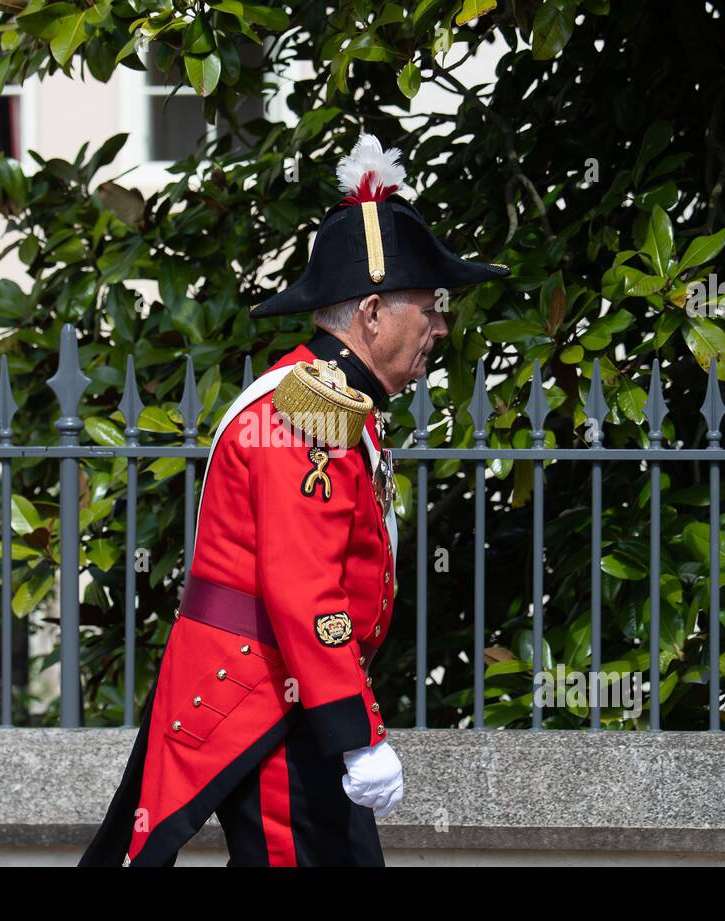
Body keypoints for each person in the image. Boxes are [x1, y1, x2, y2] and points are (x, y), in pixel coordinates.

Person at [79, 134, 509, 866]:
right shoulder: (308, 410)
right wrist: (356, 734)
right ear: (371, 313)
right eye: (430, 307)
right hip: (267, 697)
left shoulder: (330, 401)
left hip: (285, 691)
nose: (441, 326)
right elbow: (305, 589)